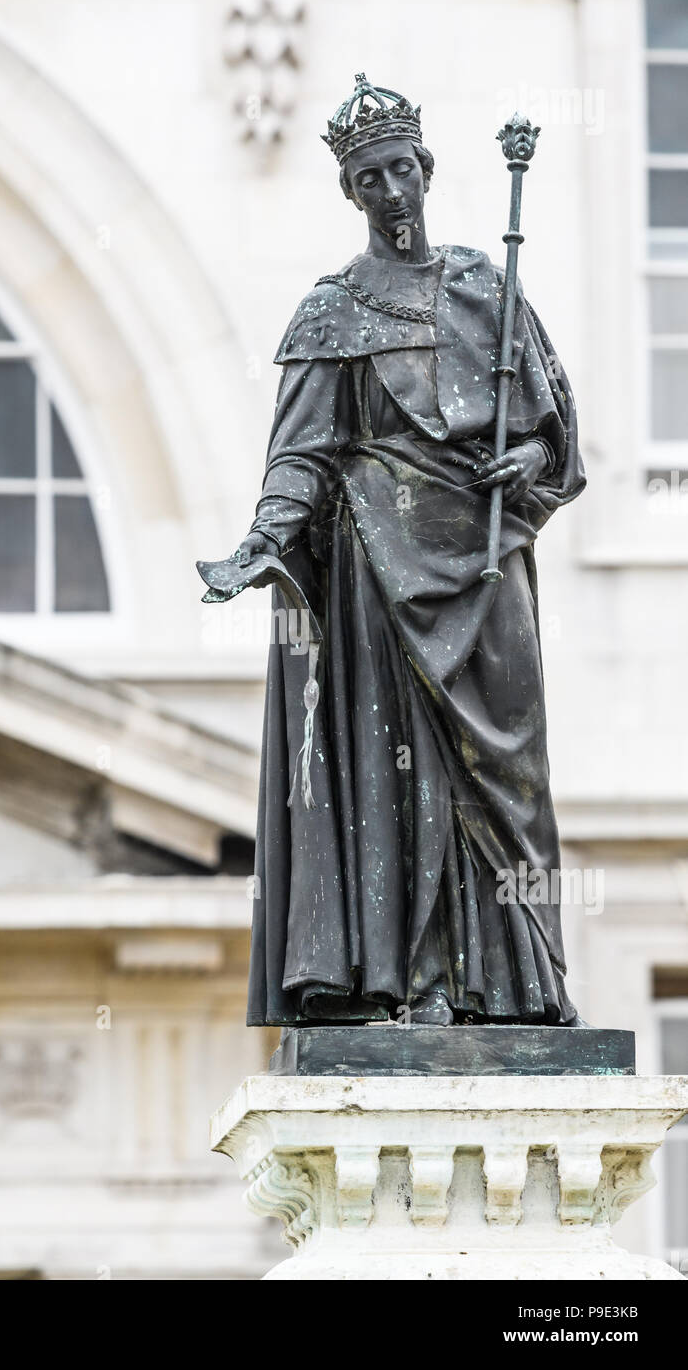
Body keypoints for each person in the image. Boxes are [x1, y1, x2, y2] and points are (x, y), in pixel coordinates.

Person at [208, 75, 586, 1027]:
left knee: (509, 770)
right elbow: (300, 453)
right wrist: (263, 538)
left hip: (486, 565)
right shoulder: (330, 313)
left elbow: (558, 435)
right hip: (381, 570)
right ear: (352, 192)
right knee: (401, 780)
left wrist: (528, 454)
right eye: (369, 177)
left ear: (426, 170)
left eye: (400, 169)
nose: (389, 190)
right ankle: (413, 982)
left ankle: (522, 982)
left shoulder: (484, 290)